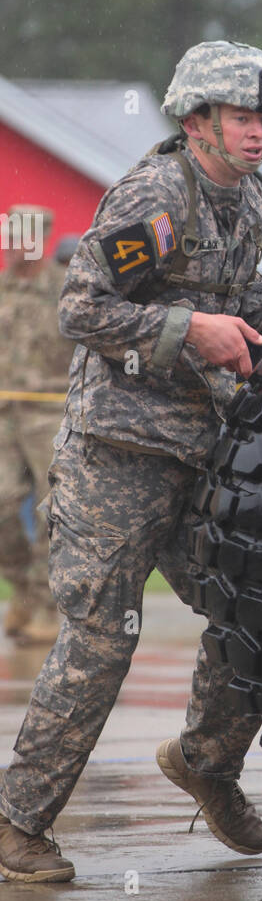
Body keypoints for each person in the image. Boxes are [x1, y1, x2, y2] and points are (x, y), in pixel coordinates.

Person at [0, 40, 262, 883]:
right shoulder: (156, 195)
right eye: (243, 118)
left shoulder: (246, 206)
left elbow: (236, 306)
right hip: (117, 454)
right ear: (198, 120)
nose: (259, 135)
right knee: (102, 637)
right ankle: (17, 823)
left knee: (255, 606)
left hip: (201, 449)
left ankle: (205, 760)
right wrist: (188, 333)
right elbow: (83, 306)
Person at [0, 205, 72, 649]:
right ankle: (22, 588)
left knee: (52, 512)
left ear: (41, 239)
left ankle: (46, 606)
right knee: (3, 504)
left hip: (51, 413)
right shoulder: (3, 290)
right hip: (4, 415)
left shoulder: (66, 290)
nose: (12, 245)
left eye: (21, 237)